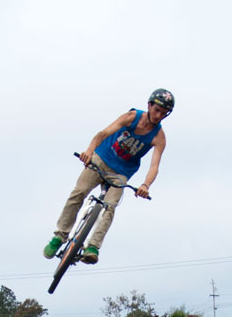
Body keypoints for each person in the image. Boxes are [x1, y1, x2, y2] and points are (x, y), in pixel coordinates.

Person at [43, 88, 173, 265]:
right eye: (157, 110)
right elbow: (103, 134)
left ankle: (92, 247)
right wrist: (89, 152)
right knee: (79, 192)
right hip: (101, 158)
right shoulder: (132, 117)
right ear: (149, 105)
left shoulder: (159, 137)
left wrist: (145, 185)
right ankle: (59, 236)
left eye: (164, 113)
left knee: (110, 206)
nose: (158, 116)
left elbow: (154, 166)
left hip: (121, 172)